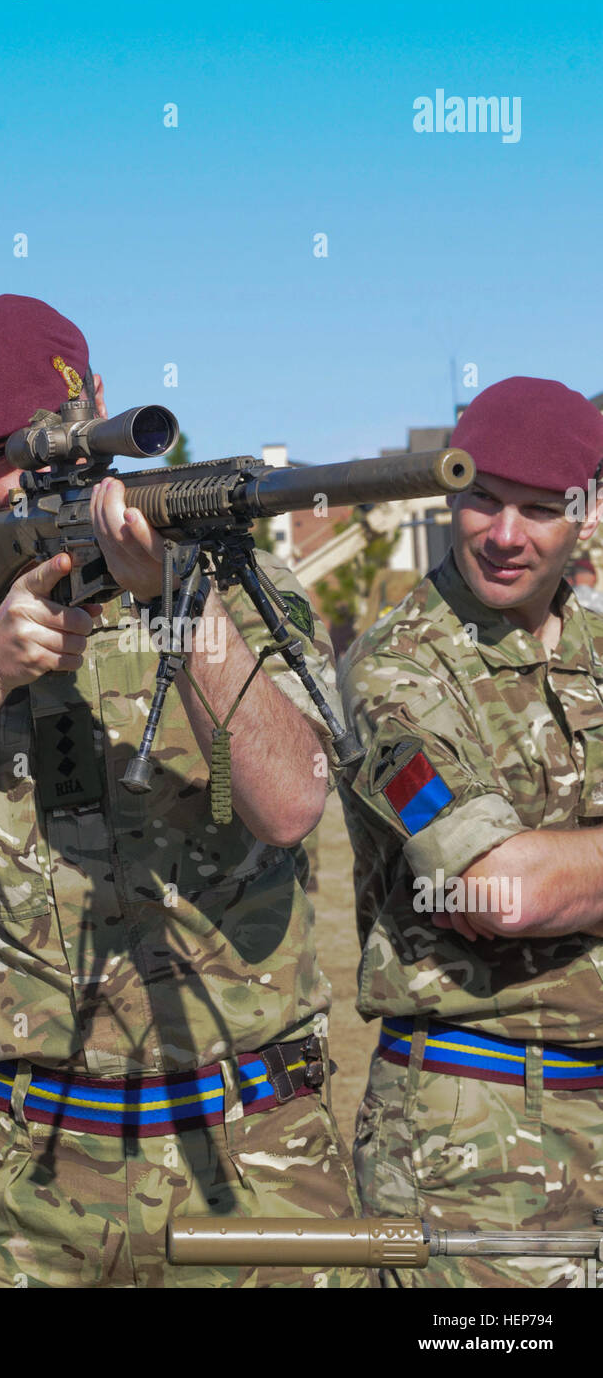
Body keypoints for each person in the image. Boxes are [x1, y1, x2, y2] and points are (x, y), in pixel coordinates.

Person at [0, 294, 367, 1289]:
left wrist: (179, 605)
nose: (24, 474)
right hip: (29, 1189)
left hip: (259, 1156)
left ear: (95, 405)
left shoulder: (232, 578)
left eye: (49, 437)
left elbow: (289, 803)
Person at [338, 376, 603, 1288]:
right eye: (483, 499)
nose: (503, 534)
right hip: (476, 1131)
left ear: (585, 514)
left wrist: (569, 872)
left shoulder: (597, 647)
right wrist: (536, 877)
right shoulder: (396, 666)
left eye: (538, 510)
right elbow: (503, 888)